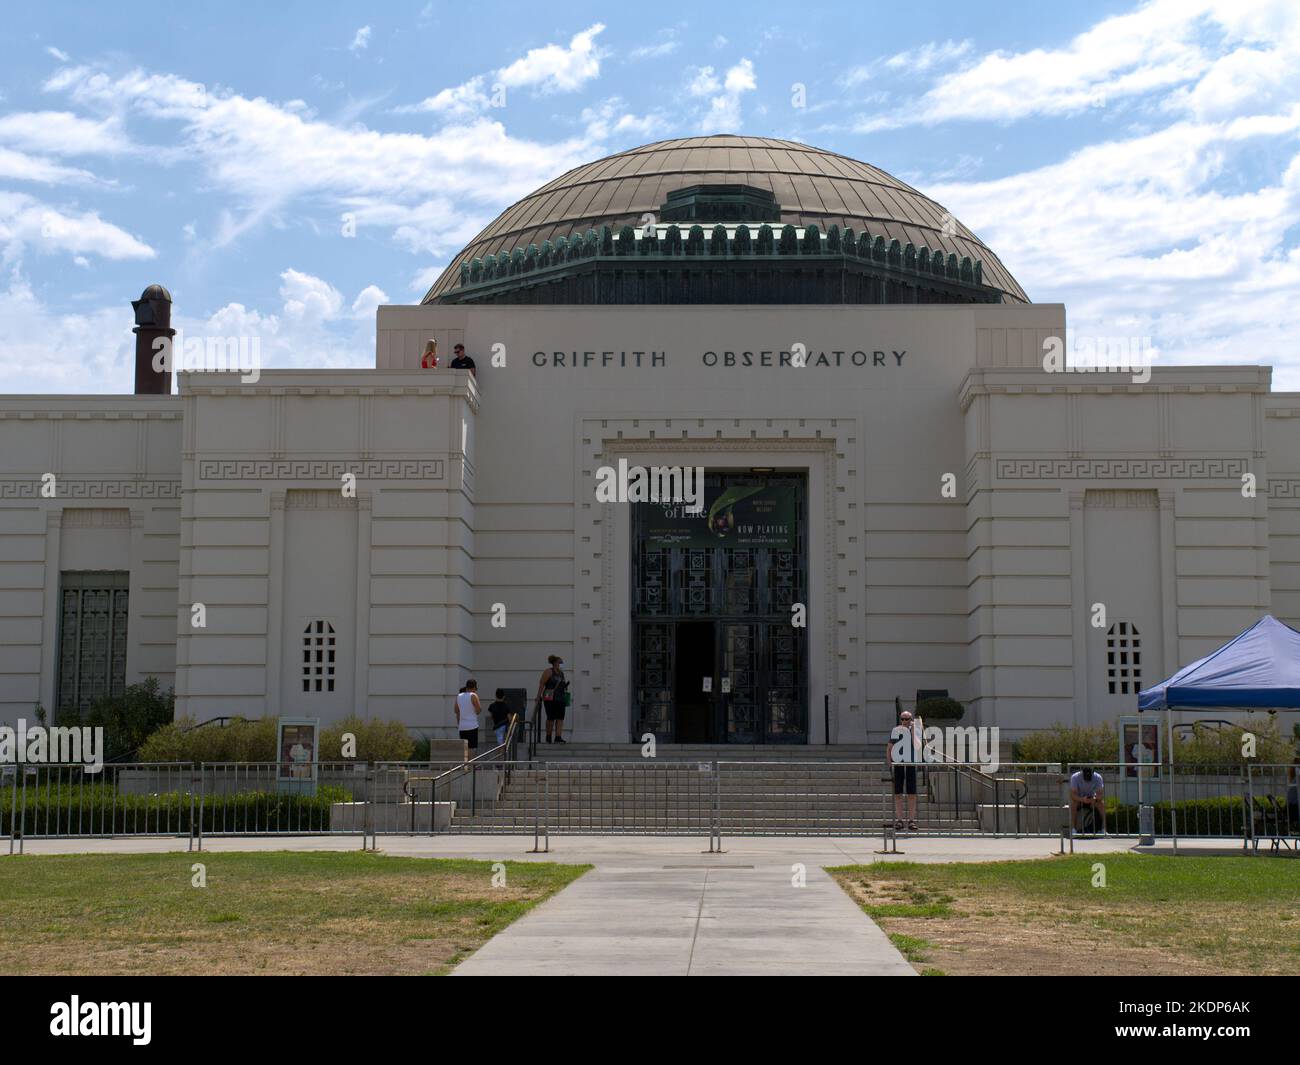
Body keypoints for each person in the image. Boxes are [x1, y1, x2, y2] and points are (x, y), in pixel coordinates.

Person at [887, 709, 921, 832]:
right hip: (898, 763)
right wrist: (890, 763)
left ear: (911, 720)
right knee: (898, 793)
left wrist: (912, 732)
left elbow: (917, 746)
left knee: (911, 793)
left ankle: (911, 820)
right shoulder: (896, 731)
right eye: (903, 719)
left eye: (907, 719)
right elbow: (889, 747)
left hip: (911, 763)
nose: (905, 721)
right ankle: (900, 820)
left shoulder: (916, 731)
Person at [537, 654, 569, 744]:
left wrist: (565, 687)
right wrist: (538, 696)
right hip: (550, 697)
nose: (562, 664)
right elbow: (542, 683)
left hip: (560, 698)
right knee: (550, 717)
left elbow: (563, 684)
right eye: (560, 662)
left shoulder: (561, 673)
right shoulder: (549, 671)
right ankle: (548, 736)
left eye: (562, 662)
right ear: (555, 663)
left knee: (560, 718)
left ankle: (558, 737)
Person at [1070, 766, 1107, 835]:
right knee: (1073, 805)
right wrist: (1082, 799)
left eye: (1089, 775)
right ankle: (1073, 829)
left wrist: (1095, 799)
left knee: (1101, 804)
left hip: (1092, 799)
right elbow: (1073, 795)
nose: (1087, 777)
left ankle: (1103, 829)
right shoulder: (1075, 777)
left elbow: (1100, 794)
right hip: (1079, 799)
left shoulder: (1098, 777)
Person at [454, 679, 482, 757]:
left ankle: (465, 766)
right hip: (472, 725)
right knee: (471, 747)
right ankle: (470, 766)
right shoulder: (473, 695)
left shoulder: (459, 696)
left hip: (462, 726)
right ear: (474, 687)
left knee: (464, 748)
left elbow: (456, 710)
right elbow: (478, 710)